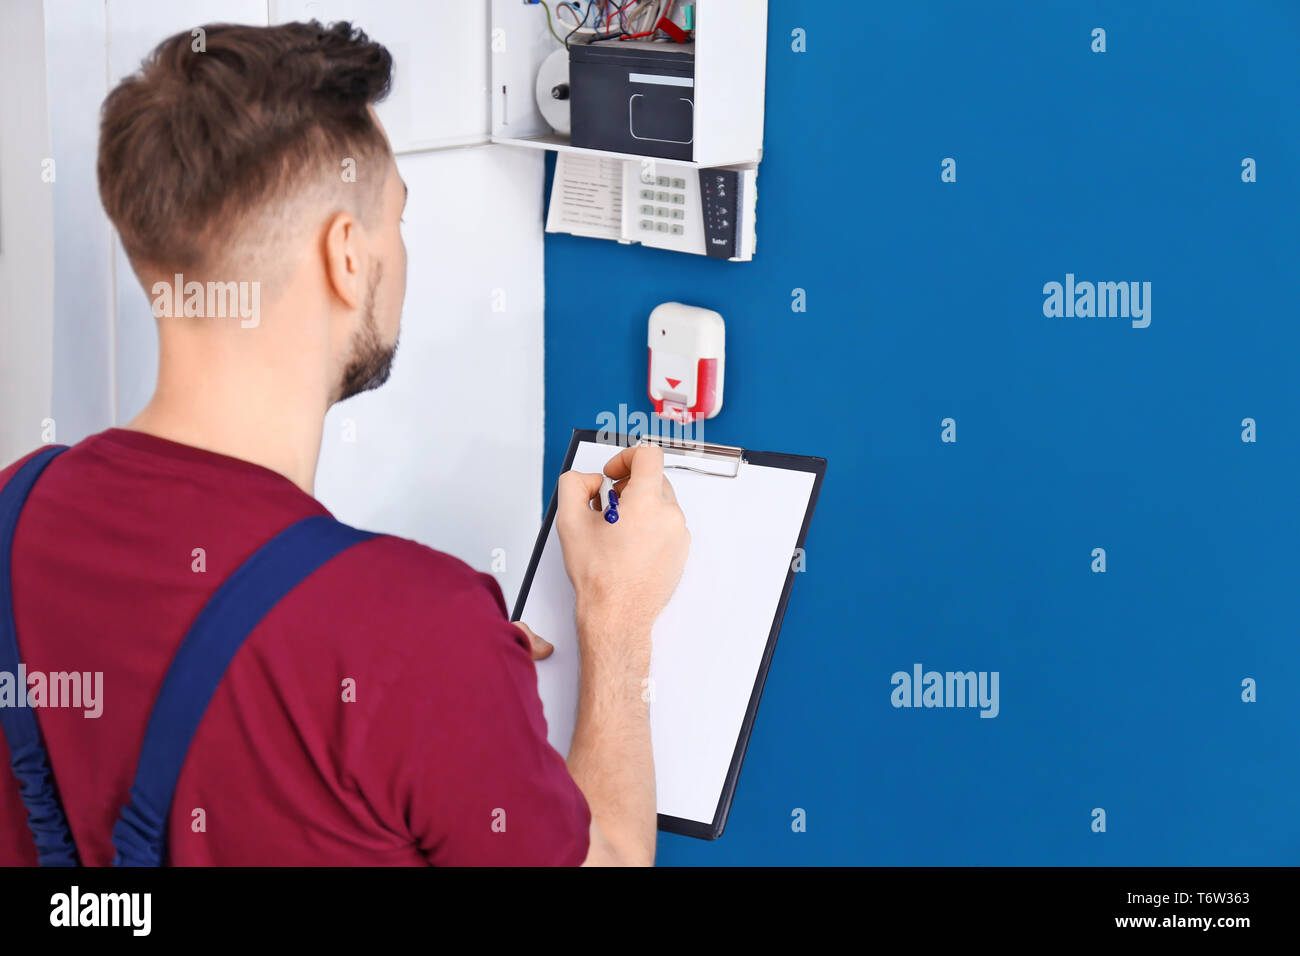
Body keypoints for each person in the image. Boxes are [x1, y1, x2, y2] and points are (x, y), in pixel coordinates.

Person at [0, 21, 689, 866]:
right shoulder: (416, 635)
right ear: (346, 259)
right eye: (395, 218)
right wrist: (615, 622)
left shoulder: (14, 507)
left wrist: (442, 673)